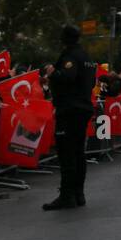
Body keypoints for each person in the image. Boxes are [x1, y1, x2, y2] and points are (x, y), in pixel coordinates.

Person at [43, 25, 95, 210]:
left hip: (70, 109)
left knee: (66, 153)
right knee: (78, 152)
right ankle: (78, 193)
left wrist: (52, 73)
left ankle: (67, 195)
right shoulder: (86, 57)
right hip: (82, 107)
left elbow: (67, 77)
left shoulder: (70, 56)